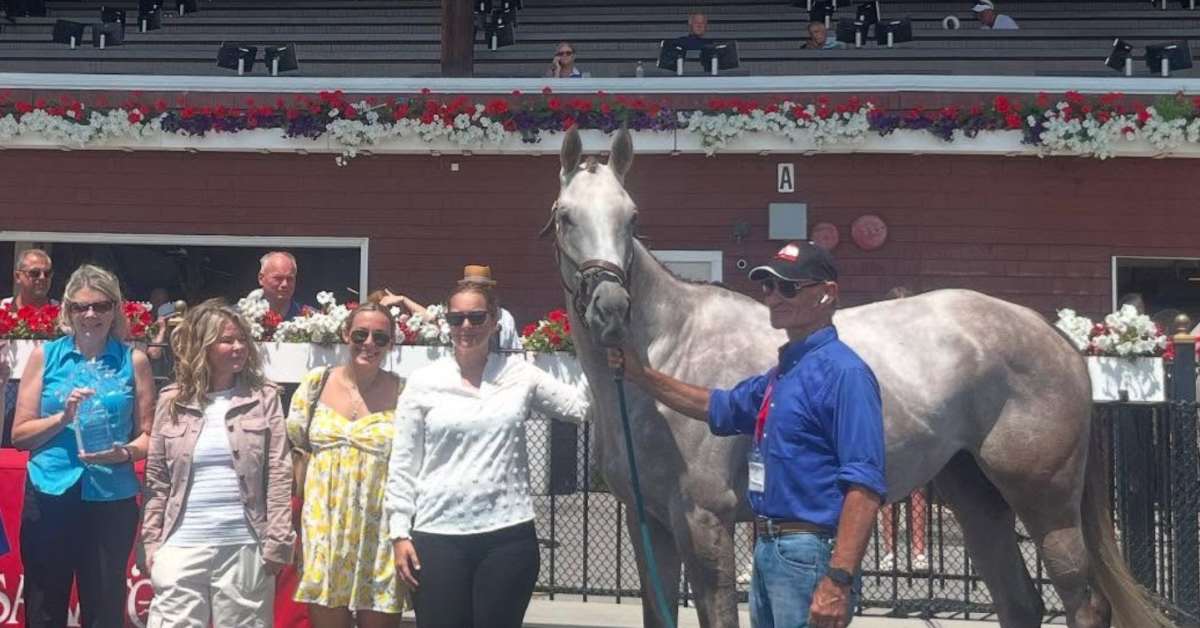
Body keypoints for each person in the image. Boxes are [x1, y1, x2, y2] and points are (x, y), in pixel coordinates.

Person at [607, 241, 886, 628]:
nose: (774, 298)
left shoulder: (845, 374)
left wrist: (838, 580)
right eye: (768, 287)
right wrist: (642, 375)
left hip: (809, 553)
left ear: (828, 294)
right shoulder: (783, 373)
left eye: (789, 288)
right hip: (769, 551)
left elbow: (865, 487)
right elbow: (715, 406)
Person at [387, 281, 590, 628]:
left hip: (507, 536)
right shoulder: (423, 382)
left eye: (477, 317)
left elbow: (579, 407)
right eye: (457, 318)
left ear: (495, 322)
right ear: (447, 322)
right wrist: (399, 533)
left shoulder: (521, 375)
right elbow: (404, 463)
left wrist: (597, 351)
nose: (466, 326)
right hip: (437, 536)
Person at [12, 264, 155, 628]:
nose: (90, 314)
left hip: (111, 497)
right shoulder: (45, 357)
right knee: (44, 603)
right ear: (68, 311)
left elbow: (150, 436)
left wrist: (123, 453)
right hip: (50, 492)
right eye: (80, 306)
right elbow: (20, 435)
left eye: (101, 306)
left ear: (115, 310)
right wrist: (61, 418)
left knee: (104, 606)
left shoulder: (133, 361)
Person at [141, 300, 292, 626]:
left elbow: (280, 471)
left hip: (244, 544)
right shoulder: (172, 400)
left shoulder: (263, 398)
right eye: (227, 340)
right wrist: (153, 542)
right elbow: (157, 478)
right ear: (203, 346)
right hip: (181, 544)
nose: (238, 347)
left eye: (242, 339)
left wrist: (277, 542)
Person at [289, 303, 408, 626]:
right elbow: (297, 451)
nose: (369, 343)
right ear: (345, 335)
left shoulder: (404, 393)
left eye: (380, 337)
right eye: (360, 334)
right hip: (323, 527)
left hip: (380, 530)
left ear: (391, 343)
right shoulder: (316, 384)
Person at [877, 287, 927, 573]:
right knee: (886, 495)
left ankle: (919, 550)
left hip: (915, 426)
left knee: (917, 492)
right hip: (886, 424)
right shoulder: (883, 346)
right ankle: (889, 550)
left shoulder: (920, 348)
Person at [458, 265, 522, 351]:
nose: (478, 293)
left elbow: (516, 351)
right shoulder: (455, 316)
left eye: (482, 288)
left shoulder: (505, 317)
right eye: (473, 288)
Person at [259, 251, 305, 321]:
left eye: (290, 279)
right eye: (278, 278)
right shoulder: (243, 318)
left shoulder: (309, 318)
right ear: (261, 279)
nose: (285, 284)